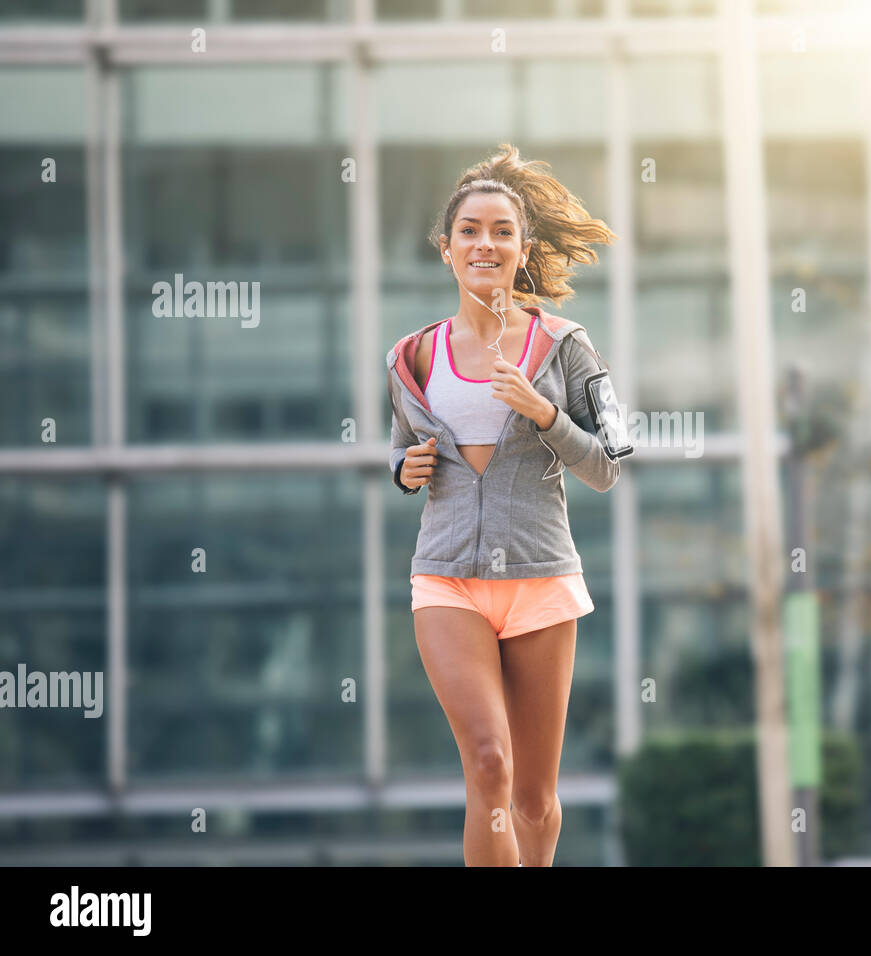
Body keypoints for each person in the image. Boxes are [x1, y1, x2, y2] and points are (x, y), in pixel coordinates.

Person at [385, 144, 621, 867]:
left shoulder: (566, 346)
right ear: (447, 250)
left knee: (536, 801)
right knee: (489, 764)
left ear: (523, 250)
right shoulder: (411, 357)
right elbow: (400, 450)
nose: (485, 243)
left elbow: (609, 465)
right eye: (469, 231)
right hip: (448, 577)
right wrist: (405, 469)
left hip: (541, 581)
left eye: (501, 231)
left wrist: (546, 415)